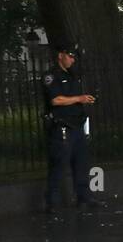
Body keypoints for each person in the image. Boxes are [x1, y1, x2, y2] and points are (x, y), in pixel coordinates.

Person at [42, 42, 100, 212]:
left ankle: (84, 197)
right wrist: (78, 99)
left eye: (74, 57)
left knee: (81, 163)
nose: (72, 60)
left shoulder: (73, 75)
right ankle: (52, 202)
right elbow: (55, 100)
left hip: (77, 125)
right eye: (70, 56)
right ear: (60, 55)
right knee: (59, 164)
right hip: (62, 127)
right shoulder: (51, 76)